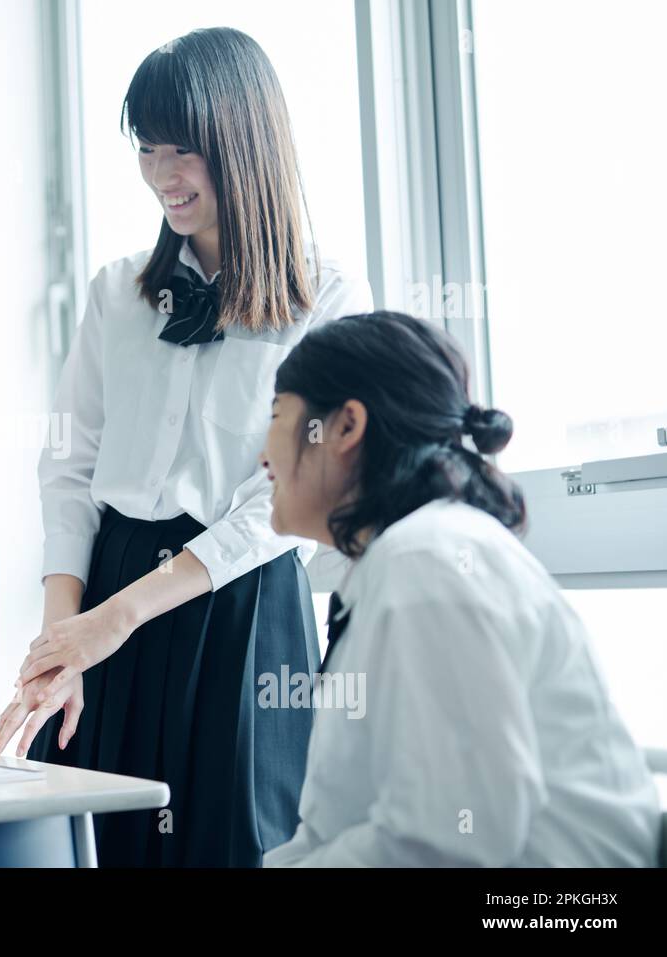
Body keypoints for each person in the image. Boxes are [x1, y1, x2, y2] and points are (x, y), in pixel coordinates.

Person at [0, 27, 372, 866]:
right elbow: (70, 470)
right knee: (96, 839)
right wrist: (65, 644)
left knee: (239, 841)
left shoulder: (328, 294)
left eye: (185, 150)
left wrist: (113, 620)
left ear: (243, 142)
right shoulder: (116, 294)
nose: (164, 175)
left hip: (240, 601)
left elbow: (284, 494)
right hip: (108, 591)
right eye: (148, 149)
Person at [259, 310, 661, 866]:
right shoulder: (404, 562)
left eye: (277, 416)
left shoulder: (427, 567)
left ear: (346, 427)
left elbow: (449, 840)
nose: (262, 456)